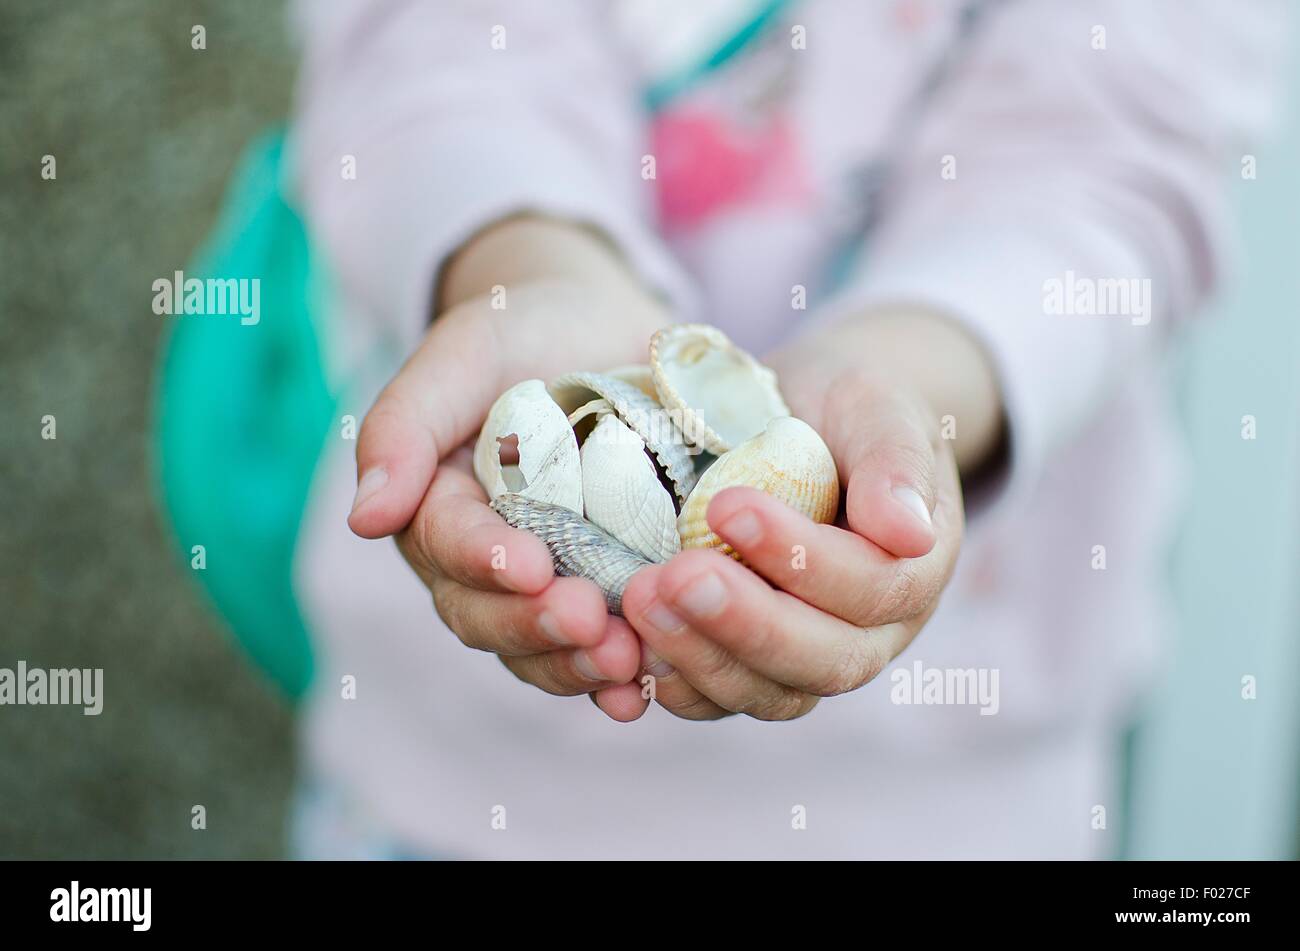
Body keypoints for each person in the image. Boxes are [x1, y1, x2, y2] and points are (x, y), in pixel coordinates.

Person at [284, 0, 1286, 858]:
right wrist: (532, 268)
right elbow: (429, 42)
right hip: (449, 791)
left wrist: (916, 376)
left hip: (955, 805)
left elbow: (1111, 142)